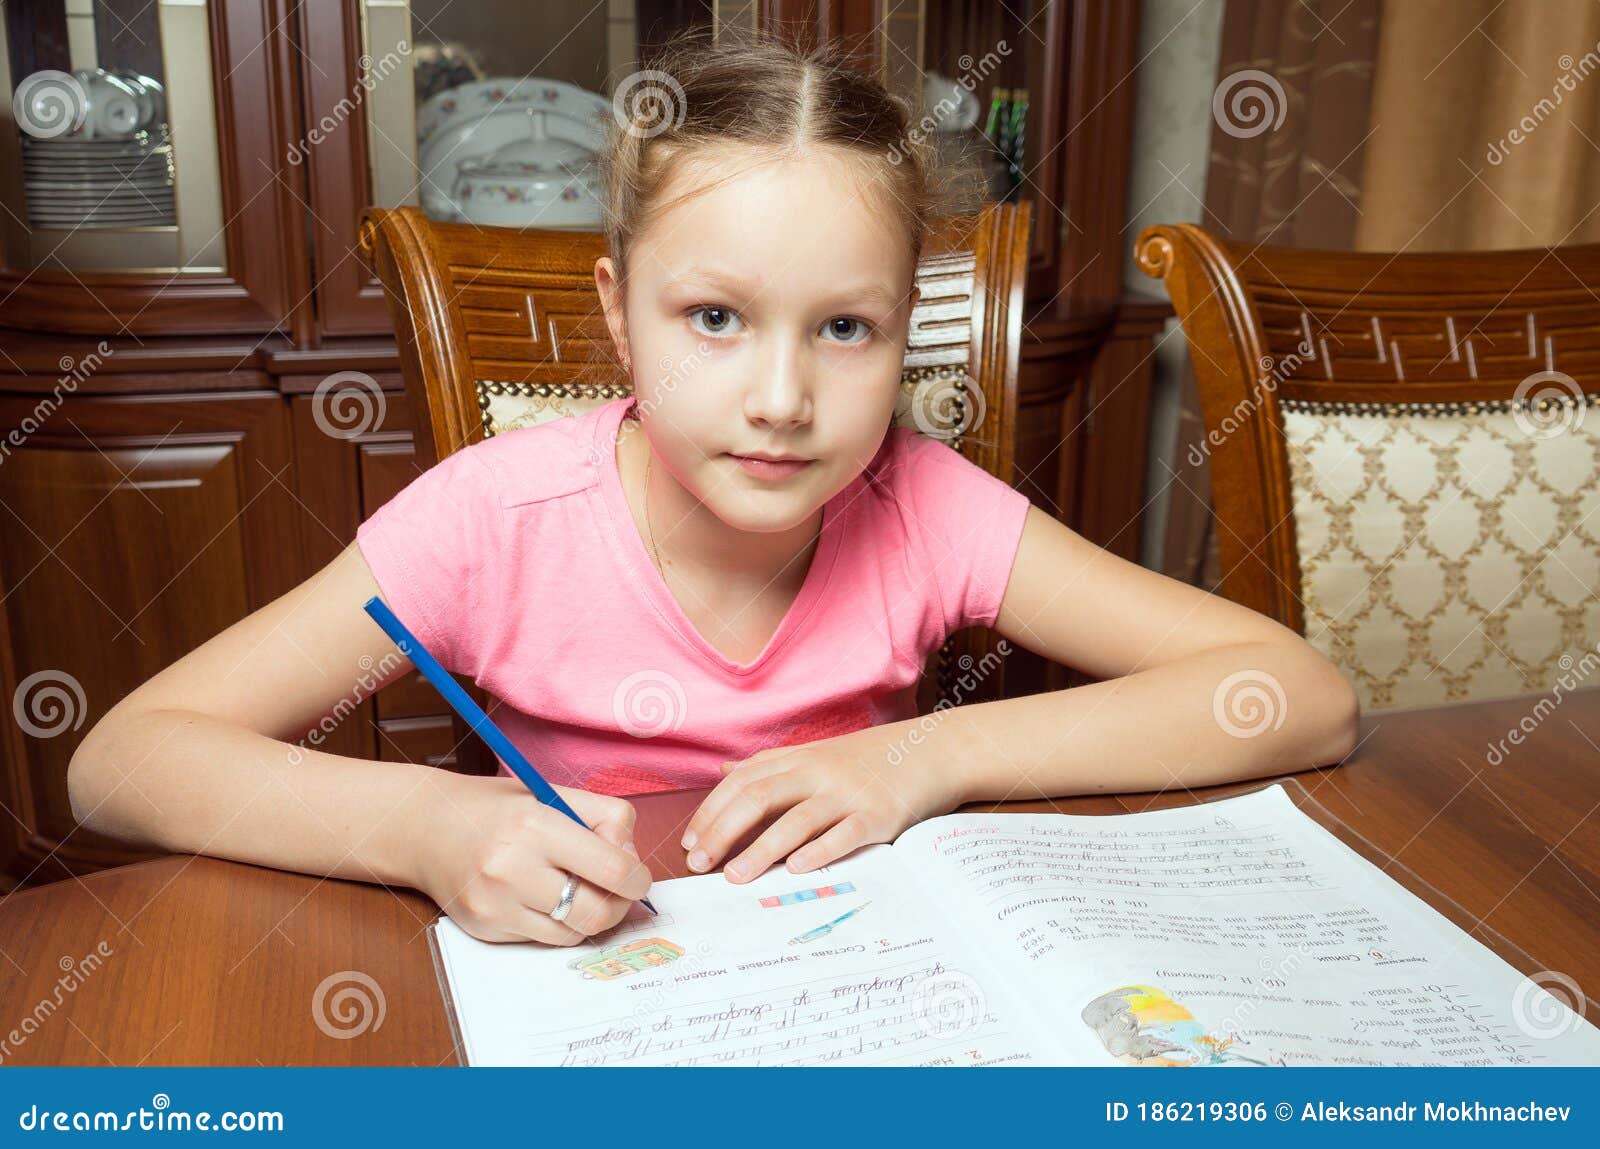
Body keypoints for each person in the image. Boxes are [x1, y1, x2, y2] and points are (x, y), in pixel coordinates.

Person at [68, 34, 1358, 948]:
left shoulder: (925, 504)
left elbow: (1299, 695)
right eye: (715, 318)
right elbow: (124, 761)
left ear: (906, 328)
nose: (782, 399)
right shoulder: (494, 520)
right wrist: (427, 827)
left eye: (845, 328)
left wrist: (930, 754)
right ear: (618, 315)